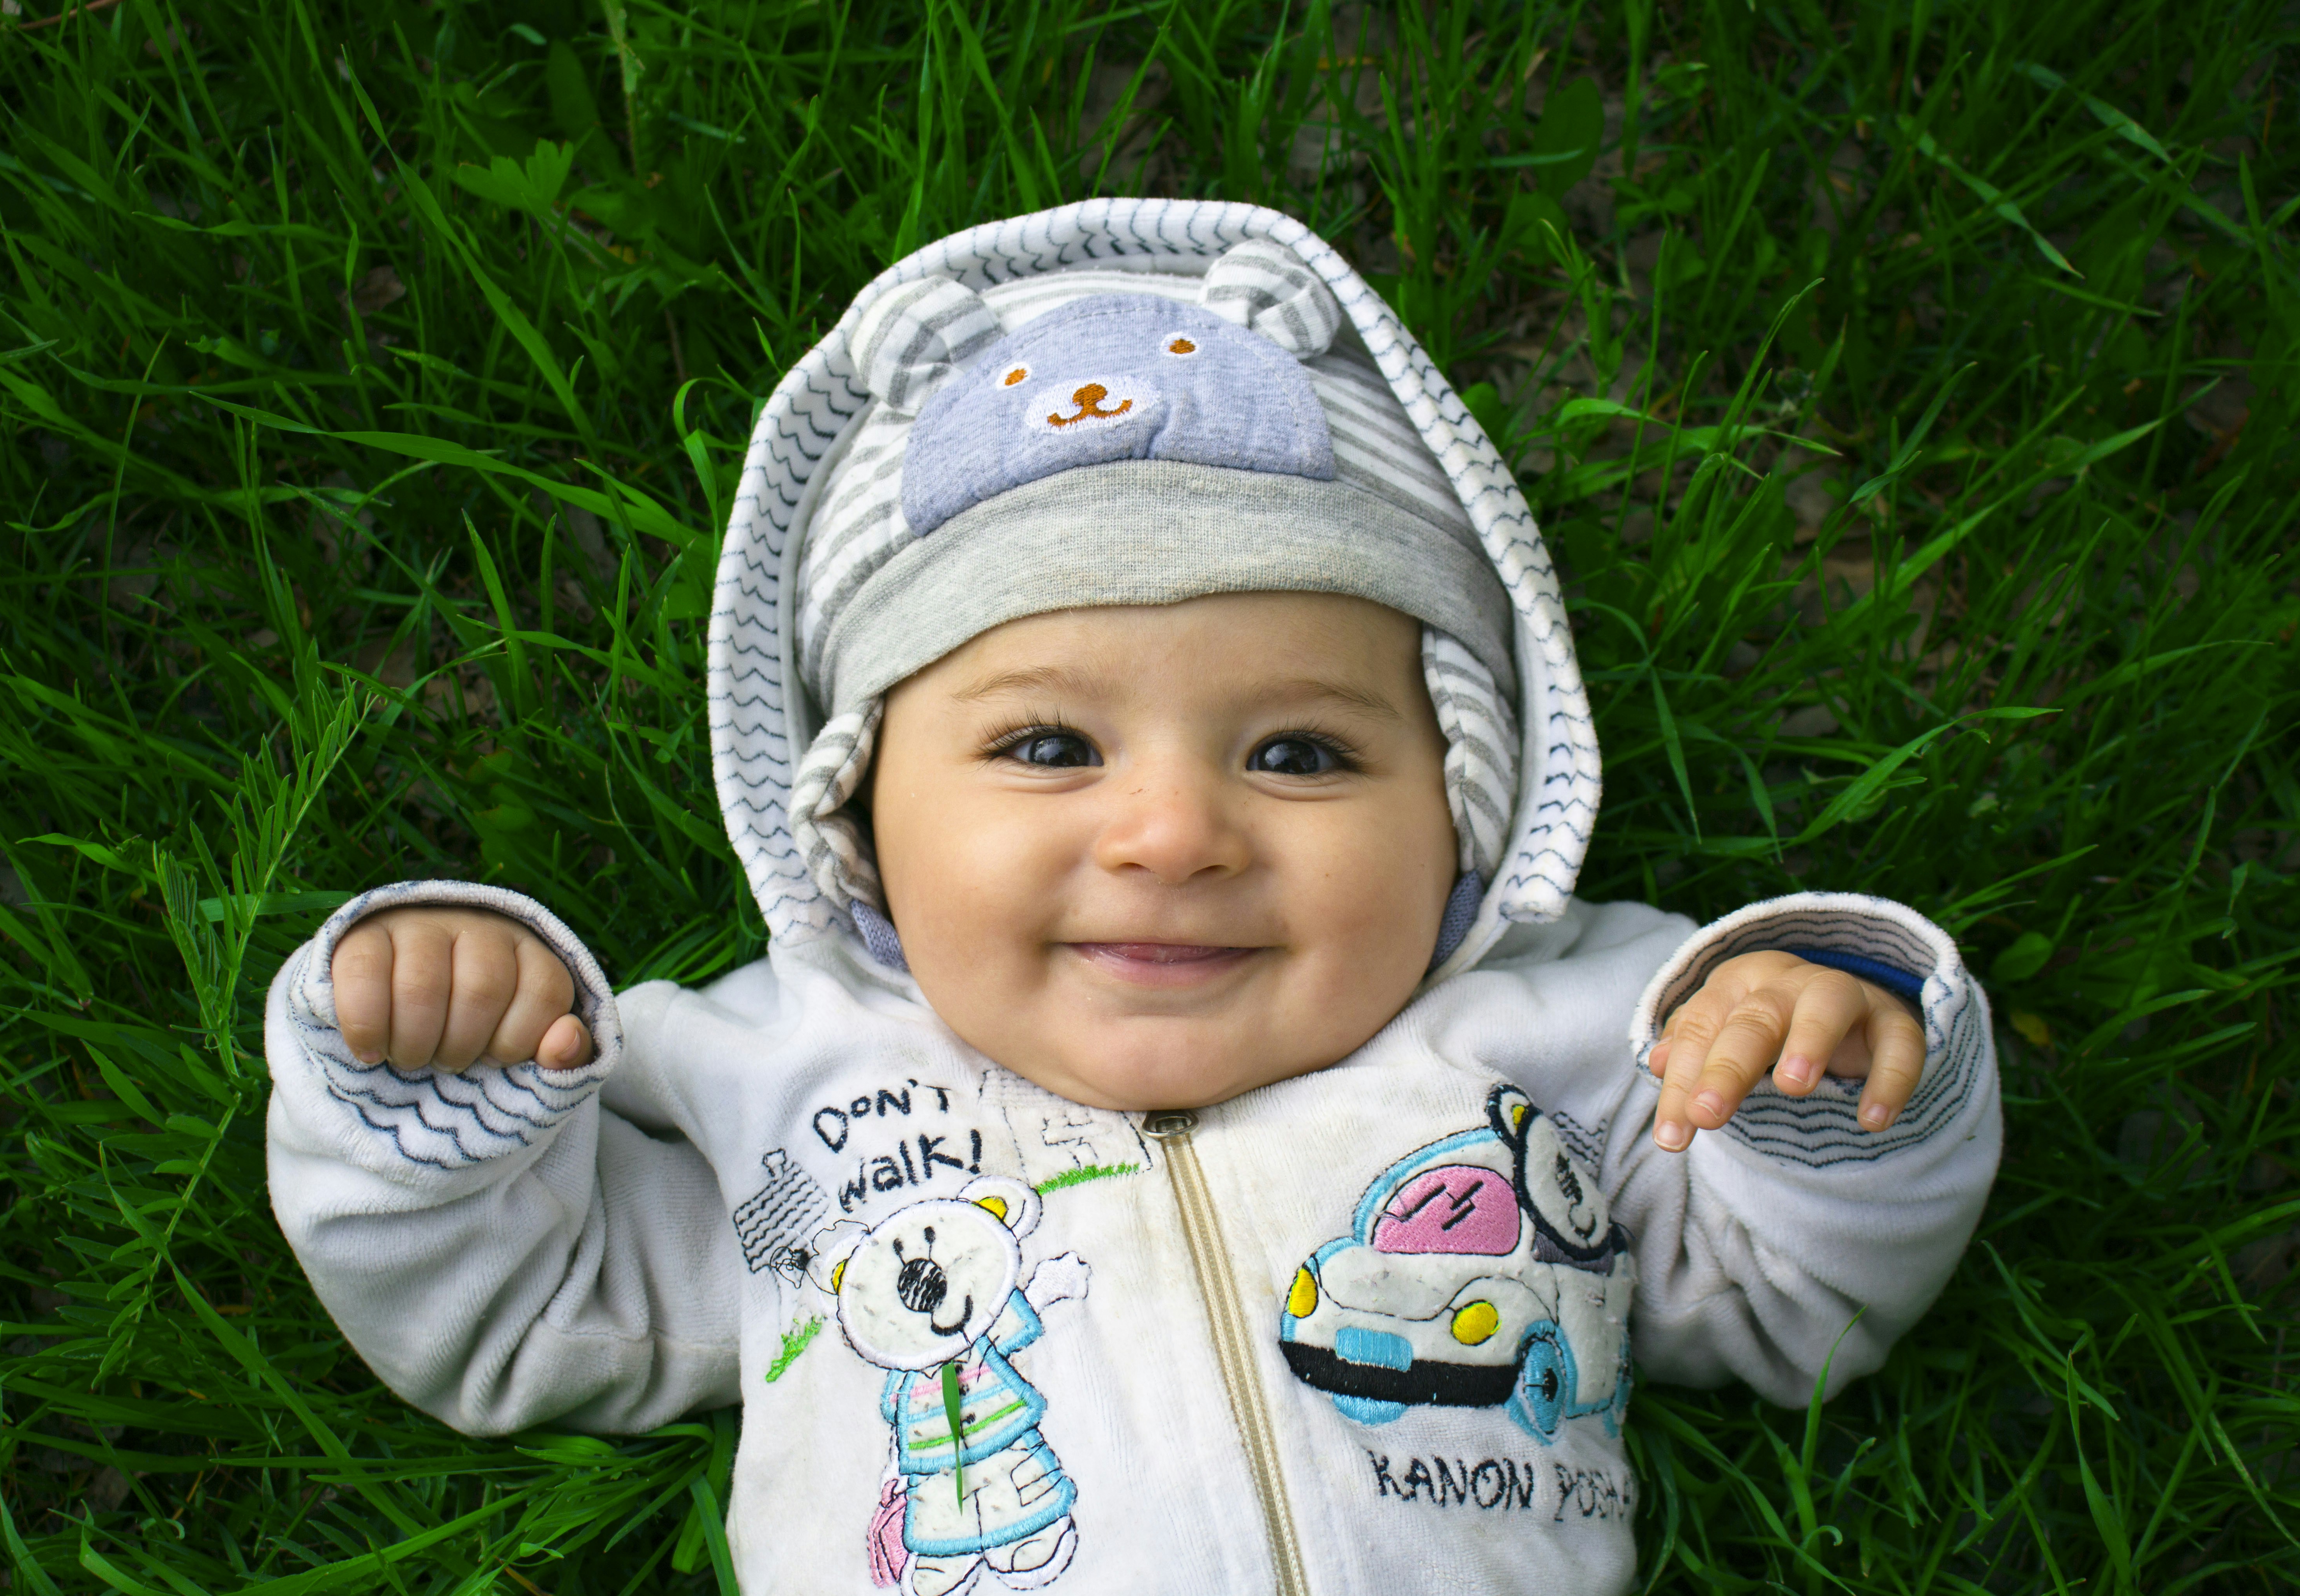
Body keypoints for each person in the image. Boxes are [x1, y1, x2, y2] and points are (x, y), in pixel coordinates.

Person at [265, 202, 1998, 1594]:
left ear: (1465, 811)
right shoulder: (770, 1097)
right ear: (855, 813)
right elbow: (532, 1311)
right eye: (1042, 744)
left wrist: (1816, 1084)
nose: (1172, 833)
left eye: (1306, 757)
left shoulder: (1564, 1051)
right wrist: (445, 1097)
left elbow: (1791, 1309)